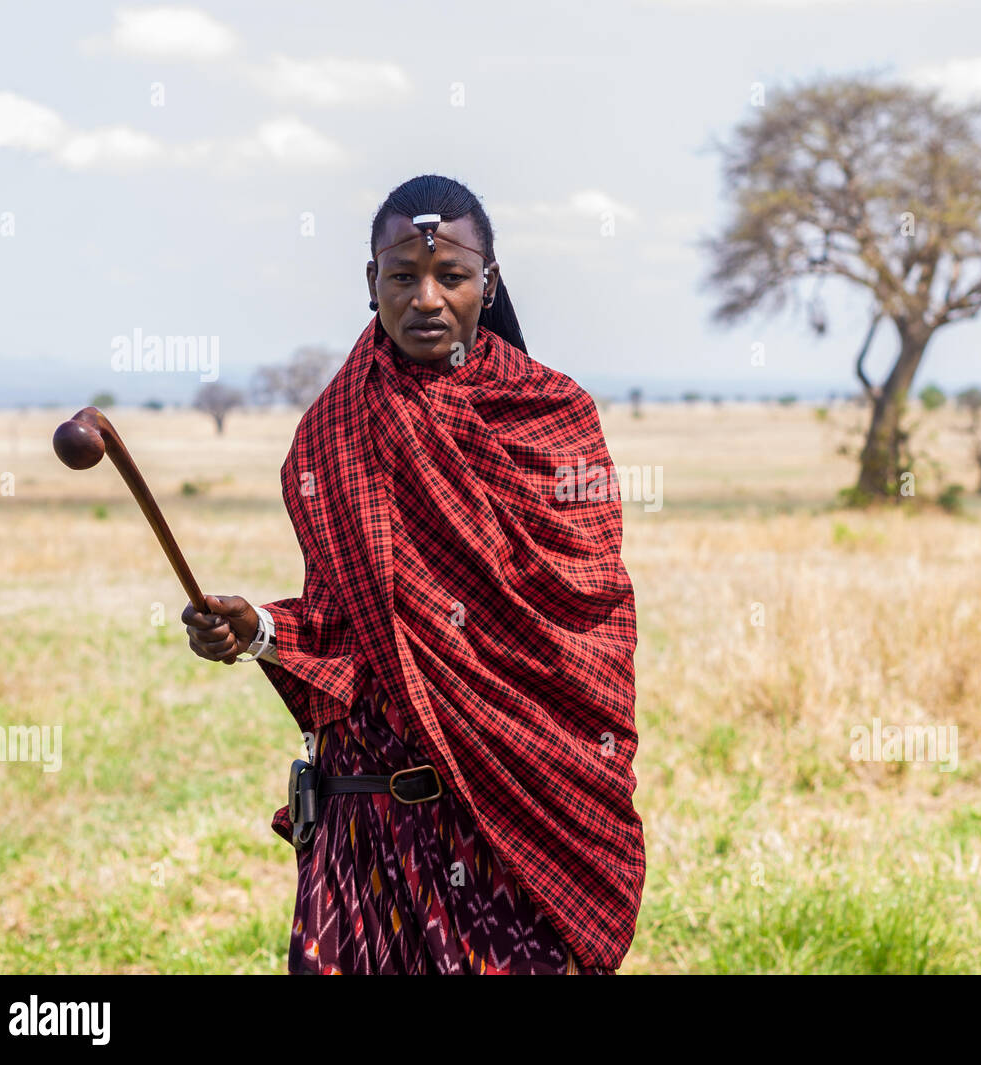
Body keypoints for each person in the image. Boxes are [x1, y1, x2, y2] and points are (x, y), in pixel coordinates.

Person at [182, 174, 645, 975]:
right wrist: (256, 629)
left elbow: (584, 626)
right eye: (403, 276)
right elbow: (342, 626)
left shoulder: (552, 416)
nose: (426, 298)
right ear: (372, 283)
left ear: (488, 283)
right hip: (366, 818)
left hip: (507, 808)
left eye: (452, 276)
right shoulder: (334, 428)